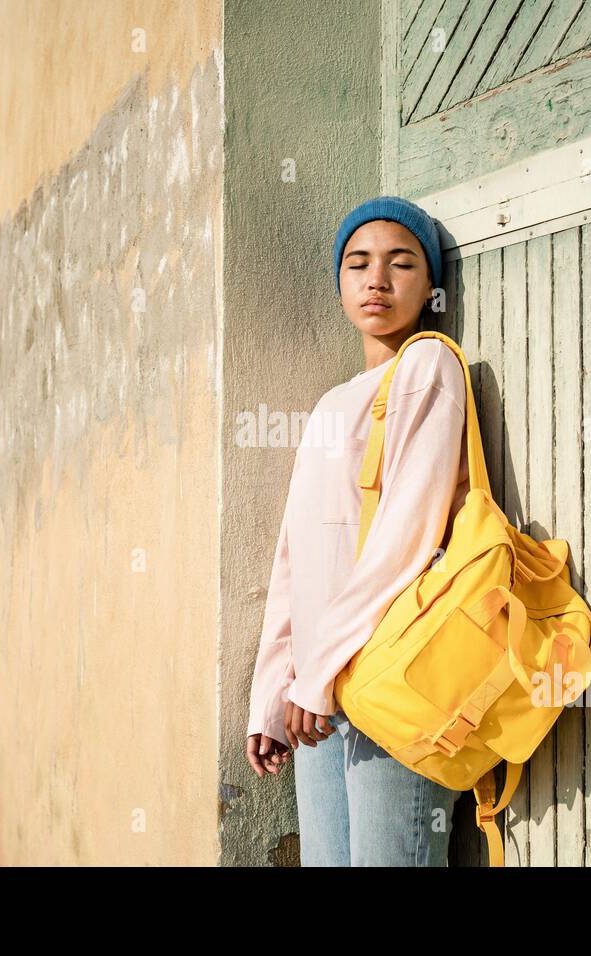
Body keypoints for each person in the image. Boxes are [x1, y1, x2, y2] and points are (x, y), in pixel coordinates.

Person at [244, 196, 470, 866]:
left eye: (401, 263)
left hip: (392, 683)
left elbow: (408, 537)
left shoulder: (429, 369)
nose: (377, 279)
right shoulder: (329, 404)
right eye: (358, 263)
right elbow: (297, 559)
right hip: (319, 698)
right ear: (340, 282)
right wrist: (276, 689)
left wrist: (317, 678)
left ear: (430, 286)